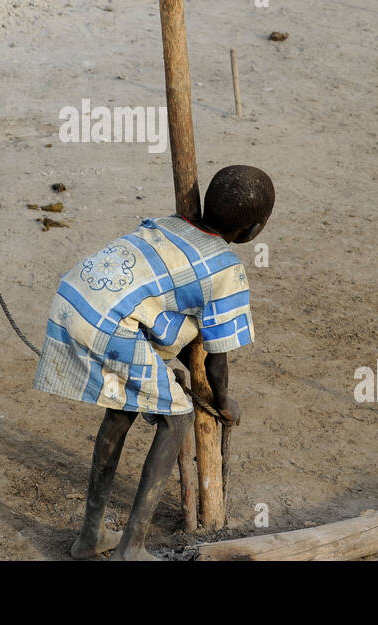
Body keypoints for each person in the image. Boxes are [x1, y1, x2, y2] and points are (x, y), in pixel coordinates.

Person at [33, 165, 275, 560]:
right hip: (112, 325)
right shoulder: (226, 270)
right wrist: (225, 402)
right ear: (252, 231)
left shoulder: (169, 224)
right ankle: (133, 547)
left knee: (122, 409)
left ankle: (90, 536)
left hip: (76, 296)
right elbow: (217, 357)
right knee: (175, 418)